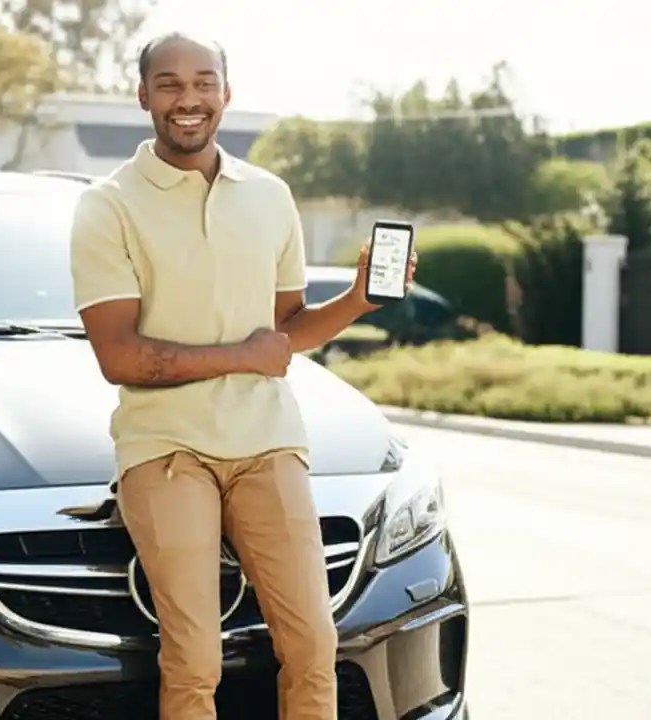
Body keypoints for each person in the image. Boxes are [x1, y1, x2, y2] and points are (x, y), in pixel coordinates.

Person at [69, 32, 417, 720]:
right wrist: (243, 357)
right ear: (143, 97)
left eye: (204, 83)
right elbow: (120, 356)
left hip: (268, 442)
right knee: (195, 659)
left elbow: (284, 335)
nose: (188, 99)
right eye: (169, 85)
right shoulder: (108, 206)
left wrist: (355, 301)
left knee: (314, 644)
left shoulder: (269, 196)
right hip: (166, 449)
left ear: (227, 93)